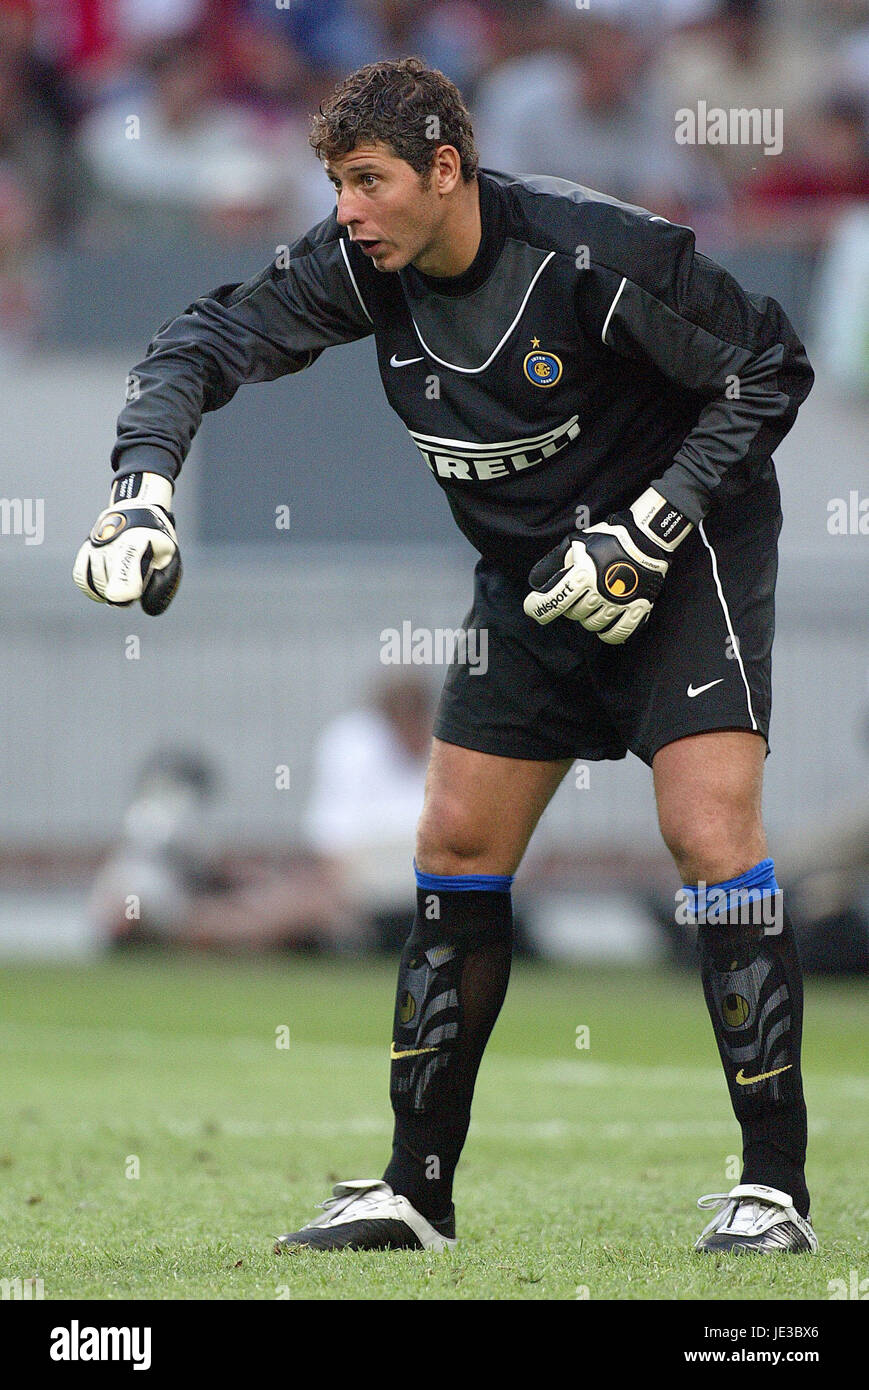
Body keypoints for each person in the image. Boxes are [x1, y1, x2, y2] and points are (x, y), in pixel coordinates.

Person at [72, 57, 817, 1256]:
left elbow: (768, 364)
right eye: (335, 182)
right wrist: (143, 486)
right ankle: (415, 1192)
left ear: (446, 170)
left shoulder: (591, 256)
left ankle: (771, 1188)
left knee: (709, 835)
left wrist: (655, 523)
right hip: (527, 580)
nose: (346, 209)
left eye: (367, 181)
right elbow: (200, 341)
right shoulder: (359, 268)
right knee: (455, 846)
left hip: (684, 557)